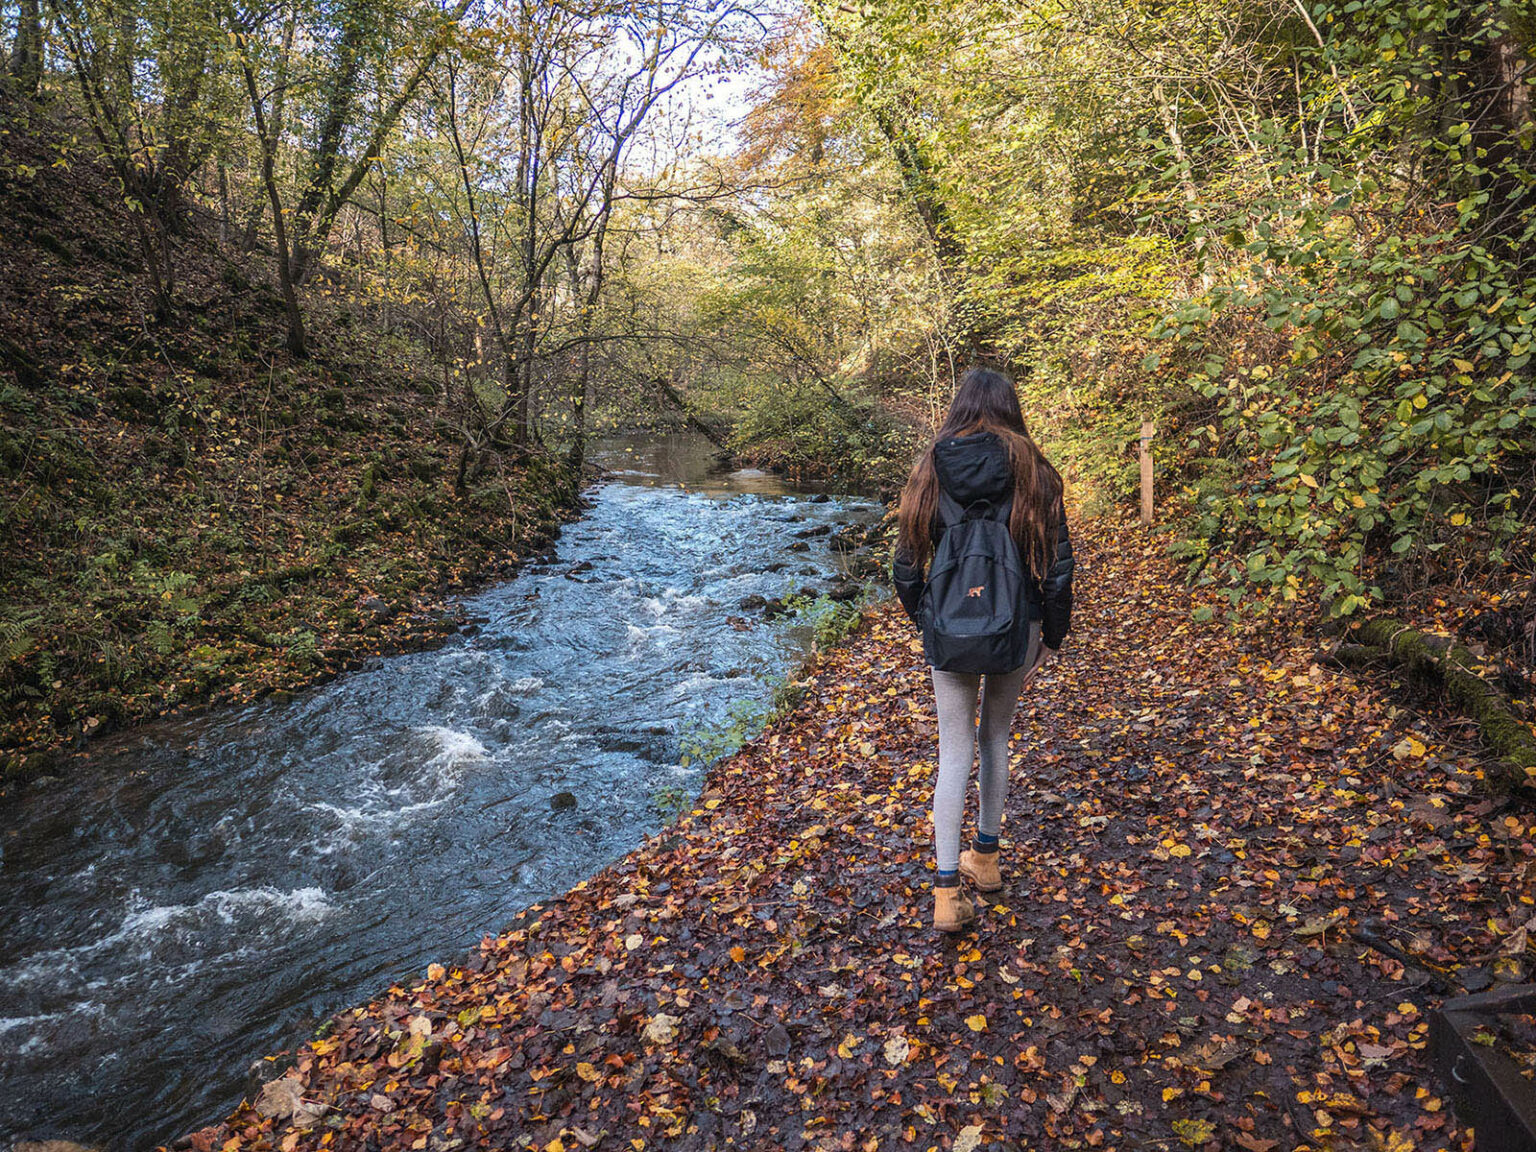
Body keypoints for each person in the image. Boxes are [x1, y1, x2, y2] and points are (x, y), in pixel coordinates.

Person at [892, 367, 1074, 932]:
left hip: (949, 629)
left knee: (953, 750)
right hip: (1015, 624)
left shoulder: (931, 466)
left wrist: (928, 616)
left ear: (959, 406)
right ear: (1011, 407)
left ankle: (947, 891)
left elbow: (904, 565)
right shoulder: (1035, 470)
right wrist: (1051, 634)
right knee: (995, 737)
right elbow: (1059, 567)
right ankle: (987, 861)